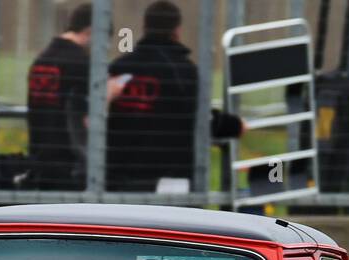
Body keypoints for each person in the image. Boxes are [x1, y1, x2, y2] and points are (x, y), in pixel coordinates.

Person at [106, 1, 244, 193]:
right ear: (177, 30)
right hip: (170, 178)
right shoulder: (183, 71)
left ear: (145, 27)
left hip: (118, 179)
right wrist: (234, 126)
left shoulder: (119, 67)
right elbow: (202, 119)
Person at [27, 3, 93, 191]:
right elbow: (87, 114)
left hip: (39, 156)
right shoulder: (81, 62)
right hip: (69, 162)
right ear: (91, 31)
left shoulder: (42, 58)